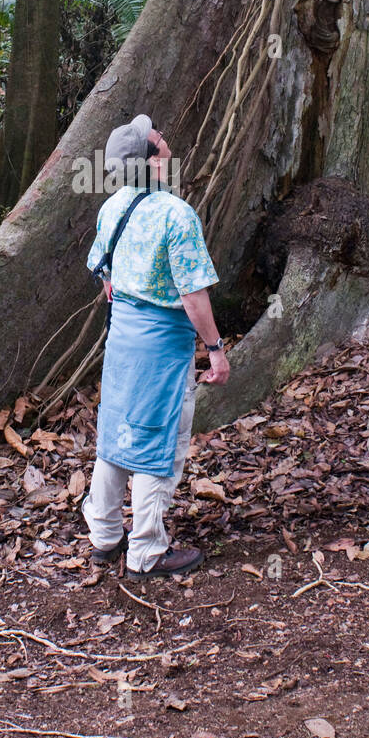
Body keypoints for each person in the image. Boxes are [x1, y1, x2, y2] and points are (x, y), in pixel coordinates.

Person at [83, 113, 230, 579]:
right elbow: (193, 296)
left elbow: (102, 272)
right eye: (157, 139)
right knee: (160, 441)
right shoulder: (175, 214)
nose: (165, 139)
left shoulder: (112, 207)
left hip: (122, 342)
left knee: (117, 433)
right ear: (151, 162)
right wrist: (217, 348)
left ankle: (104, 537)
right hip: (163, 347)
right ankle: (146, 551)